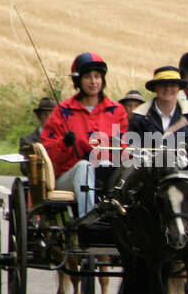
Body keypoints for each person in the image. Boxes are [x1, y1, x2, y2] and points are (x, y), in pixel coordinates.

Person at [39, 53, 128, 217]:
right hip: (69, 176)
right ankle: (87, 219)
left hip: (106, 176)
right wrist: (64, 144)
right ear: (78, 81)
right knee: (84, 167)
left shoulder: (116, 111)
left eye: (97, 76)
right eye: (88, 77)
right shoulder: (63, 111)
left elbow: (123, 148)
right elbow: (50, 153)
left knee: (108, 163)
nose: (93, 81)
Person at [127, 66, 188, 171]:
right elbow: (133, 142)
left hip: (184, 170)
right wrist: (144, 157)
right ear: (155, 88)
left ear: (178, 88)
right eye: (163, 85)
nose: (168, 89)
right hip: (148, 172)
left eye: (172, 85)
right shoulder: (140, 116)